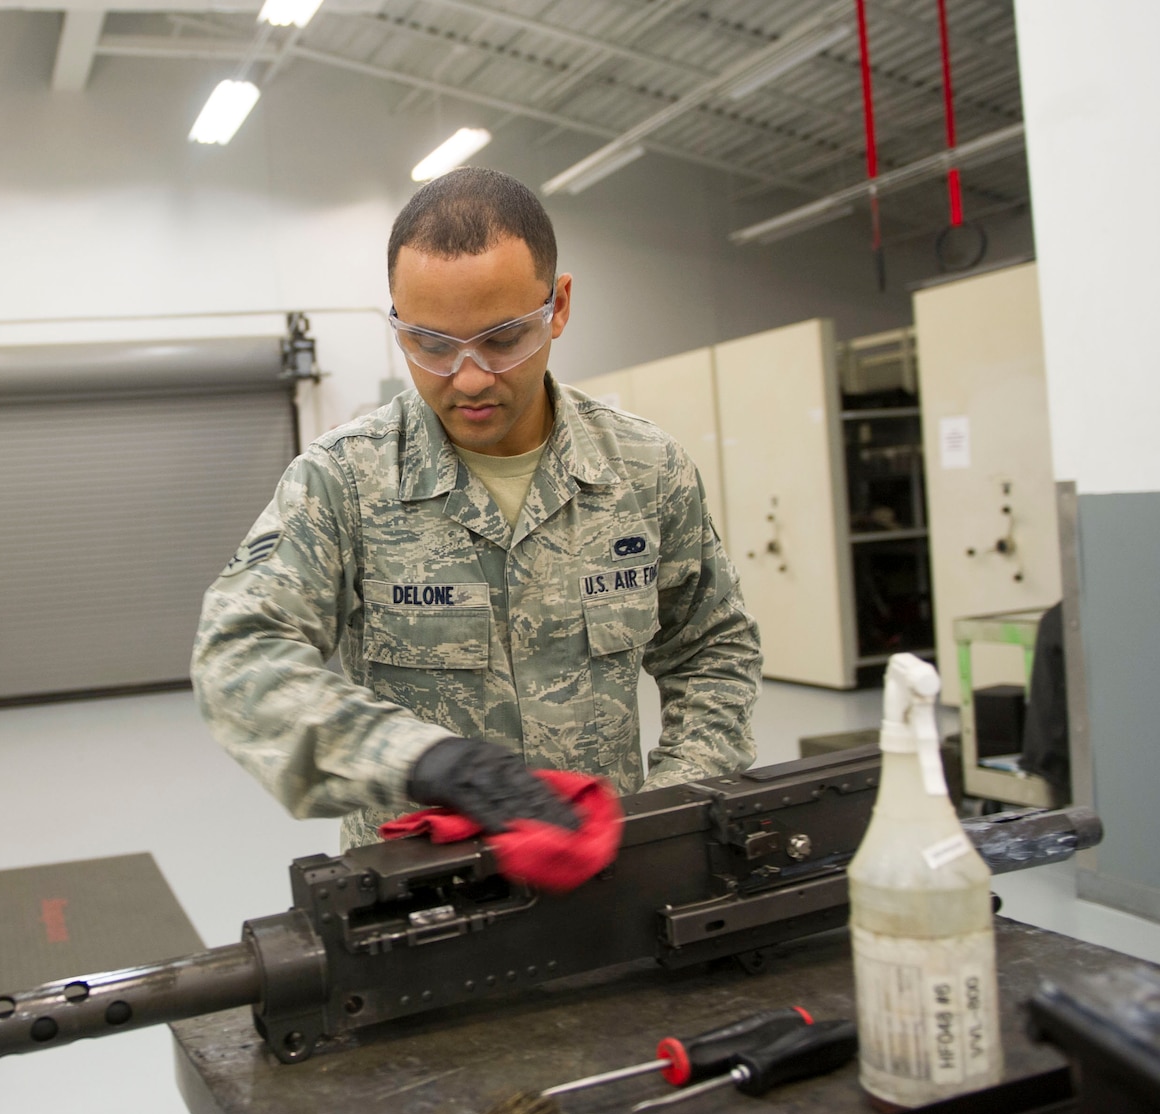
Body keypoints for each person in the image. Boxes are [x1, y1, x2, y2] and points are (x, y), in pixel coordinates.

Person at [193, 168, 761, 850]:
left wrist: (668, 813)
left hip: (606, 876)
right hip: (415, 894)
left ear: (559, 305)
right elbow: (240, 656)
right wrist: (417, 760)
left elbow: (712, 648)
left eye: (501, 340)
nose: (467, 378)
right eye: (430, 344)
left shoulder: (645, 471)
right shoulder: (342, 482)